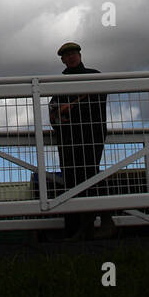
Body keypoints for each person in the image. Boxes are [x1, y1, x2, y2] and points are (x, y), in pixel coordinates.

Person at [48, 41, 115, 240]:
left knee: (90, 174)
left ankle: (104, 220)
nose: (71, 57)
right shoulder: (59, 83)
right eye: (67, 55)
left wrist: (70, 109)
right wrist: (59, 114)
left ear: (80, 55)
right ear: (62, 59)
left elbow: (95, 105)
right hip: (67, 138)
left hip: (90, 135)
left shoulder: (94, 76)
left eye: (74, 53)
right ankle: (78, 228)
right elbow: (53, 111)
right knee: (72, 179)